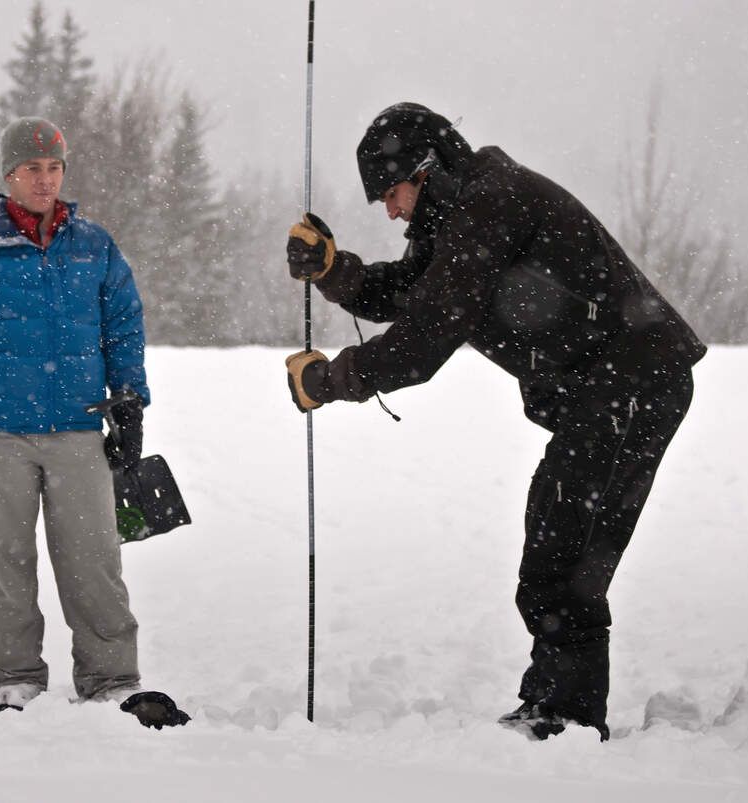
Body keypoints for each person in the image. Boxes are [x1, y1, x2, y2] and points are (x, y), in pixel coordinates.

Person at [284, 102, 705, 742]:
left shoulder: (492, 205)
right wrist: (336, 273)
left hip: (634, 378)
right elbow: (412, 291)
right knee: (559, 540)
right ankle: (559, 709)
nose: (392, 211)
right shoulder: (466, 216)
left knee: (562, 549)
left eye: (392, 195)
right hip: (611, 386)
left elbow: (427, 334)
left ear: (429, 172)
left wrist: (334, 379)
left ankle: (561, 714)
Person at [0, 117, 150, 714]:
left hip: (79, 428)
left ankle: (110, 677)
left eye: (54, 168)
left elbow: (124, 325)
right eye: (32, 169)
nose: (44, 180)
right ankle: (15, 675)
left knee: (94, 559)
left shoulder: (94, 244)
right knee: (7, 561)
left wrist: (129, 402)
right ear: (9, 175)